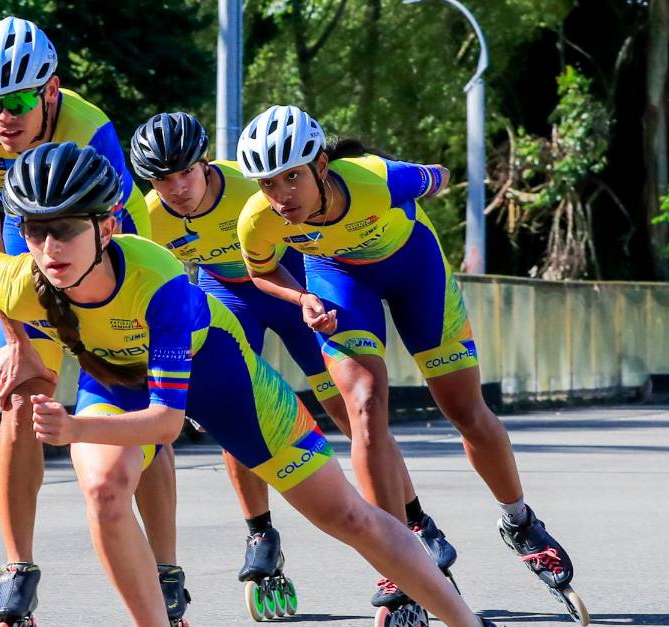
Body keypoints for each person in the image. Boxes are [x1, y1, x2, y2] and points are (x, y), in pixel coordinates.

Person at [0, 141, 498, 627]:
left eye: (66, 227)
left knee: (348, 515)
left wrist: (73, 427)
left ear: (106, 226)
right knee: (103, 488)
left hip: (221, 377)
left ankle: (464, 621)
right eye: (36, 229)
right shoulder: (24, 279)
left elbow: (165, 427)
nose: (50, 247)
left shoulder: (156, 281)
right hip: (115, 383)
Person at [236, 104, 580, 615]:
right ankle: (394, 561)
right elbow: (260, 271)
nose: (281, 196)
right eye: (267, 183)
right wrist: (300, 299)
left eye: (292, 178)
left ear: (322, 166)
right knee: (364, 407)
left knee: (467, 413)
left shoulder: (377, 180)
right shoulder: (258, 219)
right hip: (337, 278)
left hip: (415, 270)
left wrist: (430, 177)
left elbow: (437, 177)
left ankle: (520, 520)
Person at [130, 111, 457, 615]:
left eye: (186, 173)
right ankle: (260, 534)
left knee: (354, 414)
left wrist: (309, 296)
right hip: (225, 292)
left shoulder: (252, 187)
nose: (176, 189)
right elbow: (155, 291)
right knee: (235, 413)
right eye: (162, 180)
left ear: (206, 164)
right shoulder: (149, 217)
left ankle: (414, 520)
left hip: (297, 285)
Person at [0, 17, 175, 625]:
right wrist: (16, 337)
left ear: (50, 90)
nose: (3, 116)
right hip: (35, 267)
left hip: (110, 266)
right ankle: (17, 570)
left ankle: (166, 570)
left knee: (139, 416)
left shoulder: (91, 129)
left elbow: (120, 244)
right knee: (20, 403)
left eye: (18, 100)